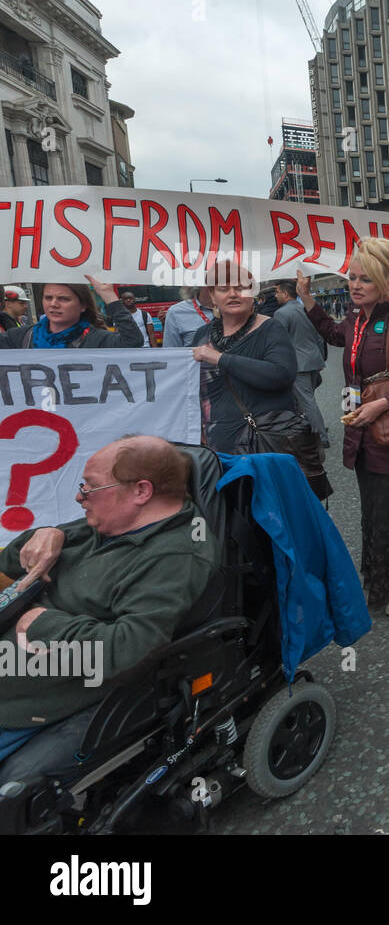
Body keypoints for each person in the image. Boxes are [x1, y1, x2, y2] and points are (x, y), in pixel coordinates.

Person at [0, 436, 220, 785]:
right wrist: (46, 534)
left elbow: (133, 645)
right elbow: (10, 562)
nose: (79, 496)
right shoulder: (108, 524)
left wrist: (41, 627)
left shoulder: (174, 557)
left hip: (27, 702)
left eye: (90, 487)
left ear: (141, 491)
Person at [299, 241, 389, 617]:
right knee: (373, 511)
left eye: (365, 279)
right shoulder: (358, 319)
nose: (355, 285)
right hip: (362, 435)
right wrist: (307, 300)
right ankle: (379, 576)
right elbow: (333, 335)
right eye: (352, 277)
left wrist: (380, 403)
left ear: (383, 282)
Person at [191, 264, 299, 457]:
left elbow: (282, 374)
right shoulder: (202, 335)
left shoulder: (270, 329)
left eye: (241, 288)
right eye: (223, 289)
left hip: (264, 443)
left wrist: (220, 358)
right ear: (213, 296)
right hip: (216, 444)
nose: (233, 294)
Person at [1, 279, 142, 349]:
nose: (53, 304)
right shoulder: (21, 337)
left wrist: (109, 295)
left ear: (82, 305)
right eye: (48, 298)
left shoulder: (97, 340)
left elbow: (133, 341)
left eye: (64, 299)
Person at [271, 280, 329, 446]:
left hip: (298, 364)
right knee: (308, 400)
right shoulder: (307, 308)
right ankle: (310, 430)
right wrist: (320, 356)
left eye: (277, 292)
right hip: (313, 360)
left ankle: (321, 437)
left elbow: (279, 342)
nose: (275, 295)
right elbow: (319, 335)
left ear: (285, 294)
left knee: (307, 402)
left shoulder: (281, 314)